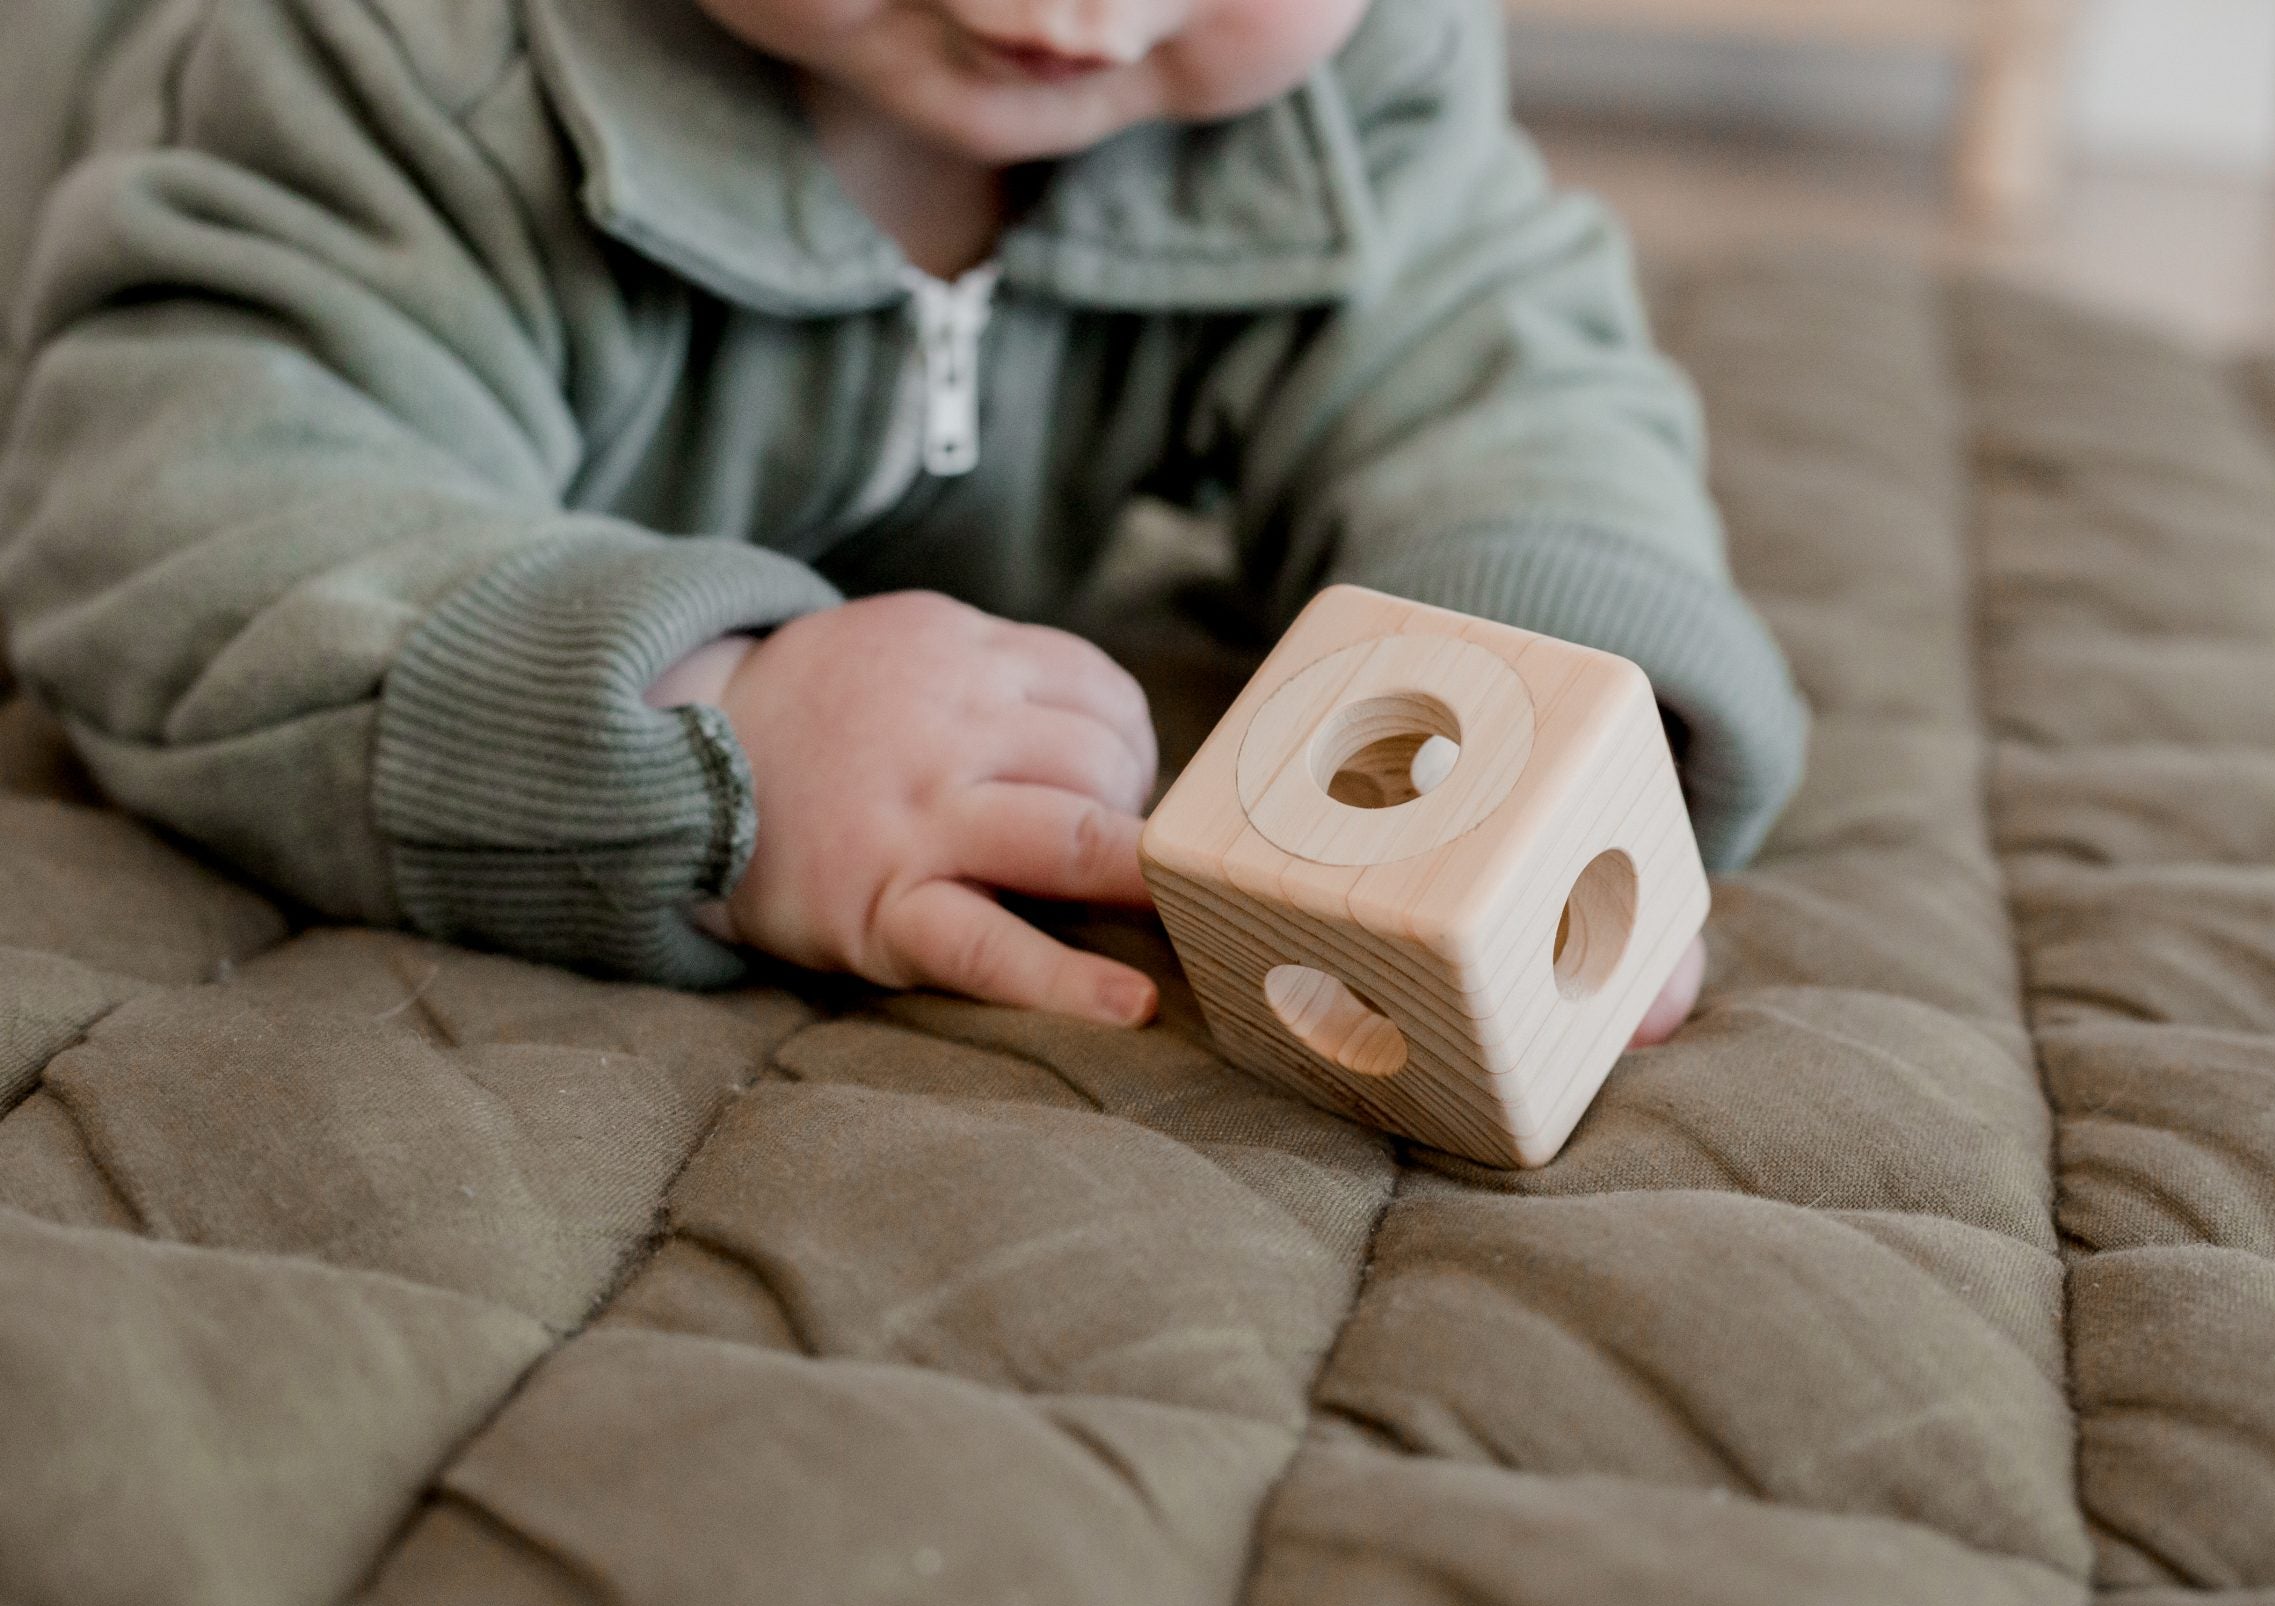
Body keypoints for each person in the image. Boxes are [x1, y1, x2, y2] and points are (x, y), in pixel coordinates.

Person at [0, 0, 1804, 1045]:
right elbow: (175, 510)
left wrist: (1554, 706)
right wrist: (709, 719)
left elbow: (1496, 377)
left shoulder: (1349, 84)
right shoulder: (392, 65)